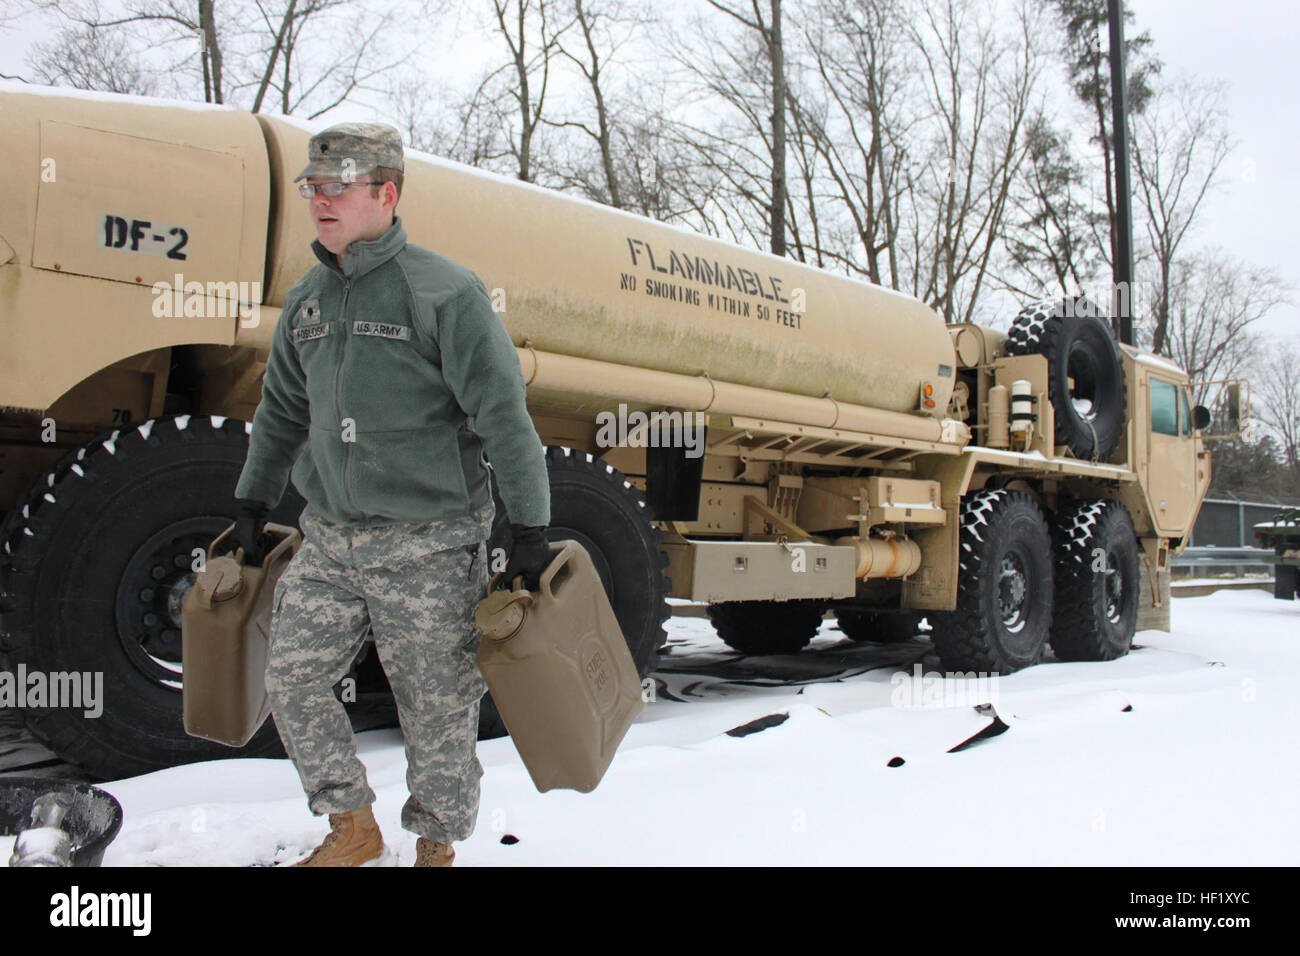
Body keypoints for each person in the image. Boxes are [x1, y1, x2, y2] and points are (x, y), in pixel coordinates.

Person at [228, 122, 552, 867]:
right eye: (314, 186)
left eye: (339, 186)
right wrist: (251, 503)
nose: (321, 200)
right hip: (331, 538)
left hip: (429, 542)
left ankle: (435, 845)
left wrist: (529, 526)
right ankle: (352, 825)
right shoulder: (308, 299)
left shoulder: (445, 291)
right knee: (293, 678)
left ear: (387, 193)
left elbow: (503, 416)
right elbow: (280, 410)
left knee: (436, 707)